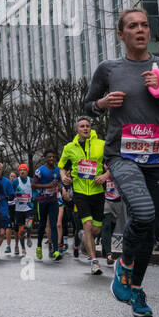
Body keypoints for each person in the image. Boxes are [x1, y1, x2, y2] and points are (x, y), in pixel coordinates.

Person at [84, 8, 159, 317]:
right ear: (120, 34)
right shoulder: (108, 68)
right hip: (121, 154)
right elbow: (87, 104)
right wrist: (102, 103)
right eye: (132, 26)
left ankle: (135, 288)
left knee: (148, 228)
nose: (140, 30)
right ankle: (123, 268)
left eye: (144, 25)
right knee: (142, 211)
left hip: (156, 156)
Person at [59, 118, 108, 275]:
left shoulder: (101, 144)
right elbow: (61, 166)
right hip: (80, 192)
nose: (85, 128)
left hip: (98, 191)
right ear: (77, 130)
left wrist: (105, 176)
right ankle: (94, 262)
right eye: (82, 126)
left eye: (87, 126)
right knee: (87, 225)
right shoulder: (69, 148)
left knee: (96, 229)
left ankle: (84, 238)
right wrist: (63, 177)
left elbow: (114, 163)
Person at [33, 151, 62, 260]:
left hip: (53, 201)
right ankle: (39, 246)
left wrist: (59, 186)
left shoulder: (57, 170)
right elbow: (33, 185)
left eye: (53, 156)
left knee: (54, 225)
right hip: (42, 201)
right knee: (42, 225)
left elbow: (59, 181)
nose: (51, 158)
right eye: (49, 157)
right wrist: (47, 185)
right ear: (45, 158)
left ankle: (55, 250)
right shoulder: (40, 171)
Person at [13, 164, 34, 256]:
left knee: (29, 225)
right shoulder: (15, 181)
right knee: (21, 231)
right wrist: (14, 195)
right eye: (20, 170)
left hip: (29, 208)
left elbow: (36, 191)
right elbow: (11, 192)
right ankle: (23, 248)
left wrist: (34, 197)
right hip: (19, 210)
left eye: (24, 170)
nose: (22, 171)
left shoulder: (31, 180)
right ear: (18, 172)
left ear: (27, 171)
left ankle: (28, 235)